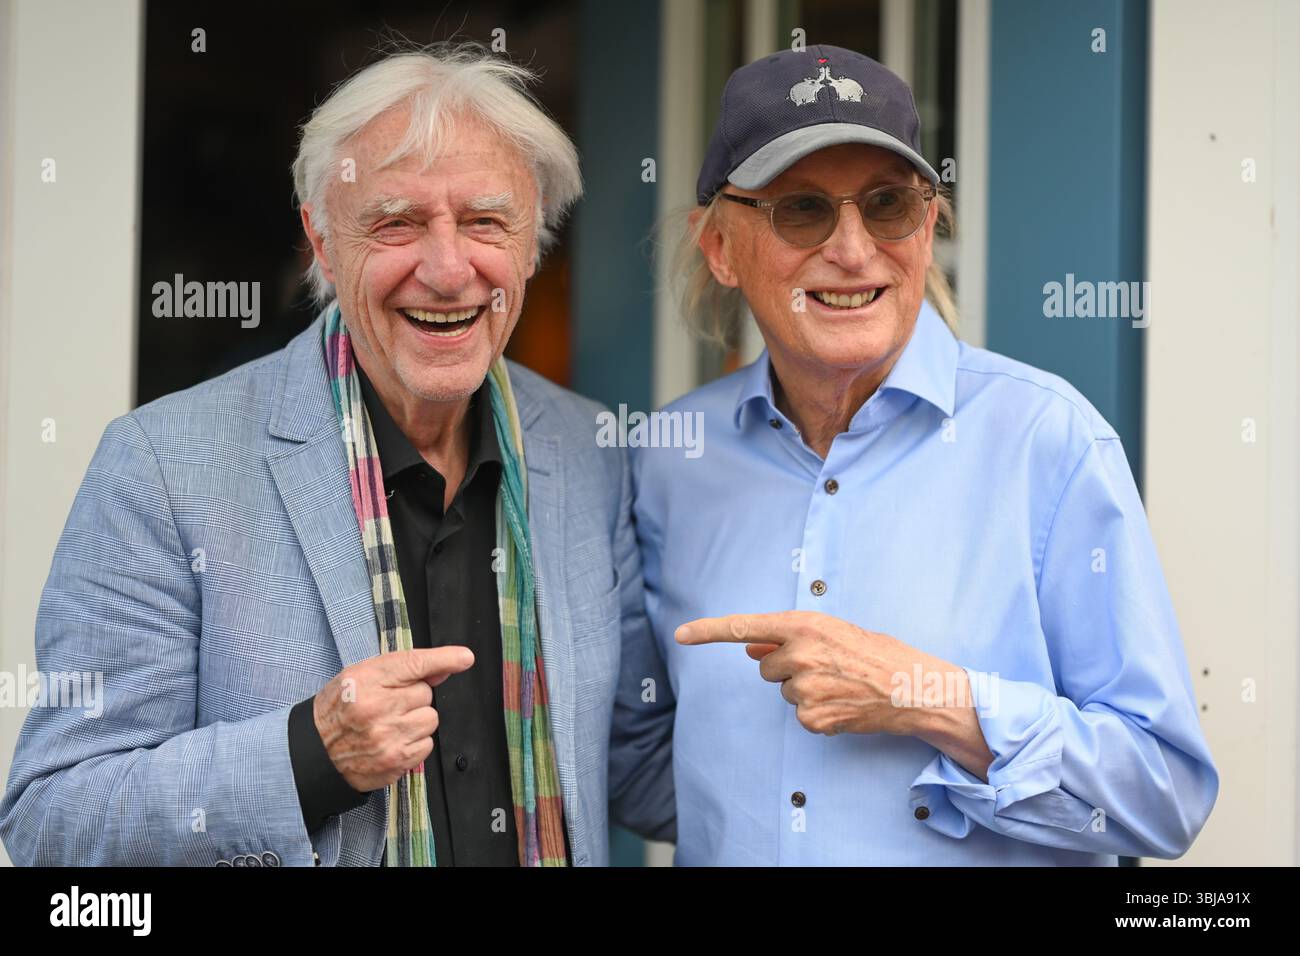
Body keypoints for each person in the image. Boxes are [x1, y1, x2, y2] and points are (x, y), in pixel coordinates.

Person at [0, 44, 673, 867]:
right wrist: (307, 757)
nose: (448, 268)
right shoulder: (163, 466)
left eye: (486, 222)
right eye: (396, 224)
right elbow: (54, 816)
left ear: (534, 245)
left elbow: (636, 763)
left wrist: (873, 709)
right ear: (322, 241)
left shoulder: (586, 449)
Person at [632, 44, 1217, 865]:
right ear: (721, 247)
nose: (852, 248)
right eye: (801, 208)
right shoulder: (669, 462)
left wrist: (929, 697)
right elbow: (653, 765)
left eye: (887, 205)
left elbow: (1165, 794)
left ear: (928, 223)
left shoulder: (1048, 441)